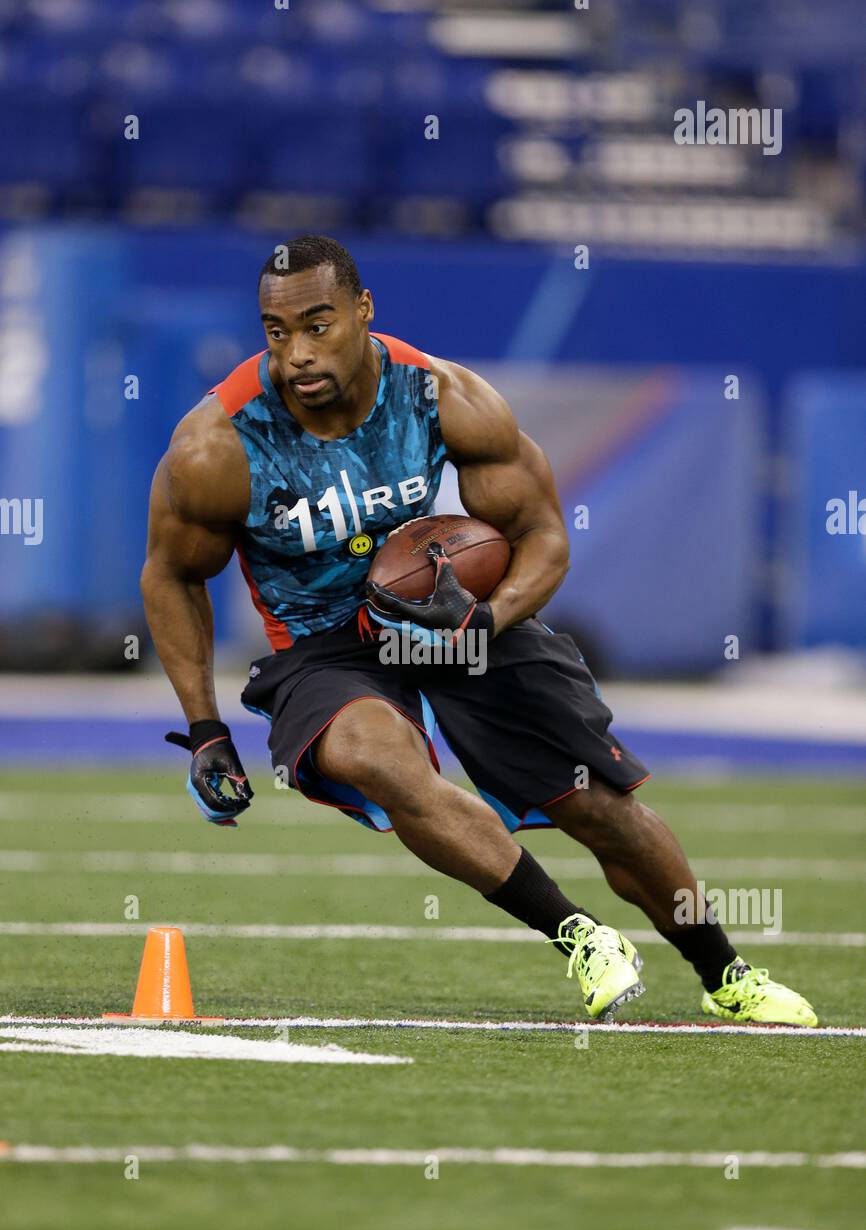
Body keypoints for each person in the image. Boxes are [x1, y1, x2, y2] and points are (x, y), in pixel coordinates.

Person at [142, 234, 817, 1027]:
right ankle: (579, 936)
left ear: (364, 312)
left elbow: (543, 535)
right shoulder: (217, 444)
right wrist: (206, 728)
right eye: (277, 332)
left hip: (447, 604)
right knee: (373, 757)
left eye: (318, 325)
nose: (297, 354)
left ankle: (726, 973)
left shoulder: (444, 396)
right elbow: (173, 574)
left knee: (595, 804)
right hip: (321, 640)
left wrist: (484, 617)